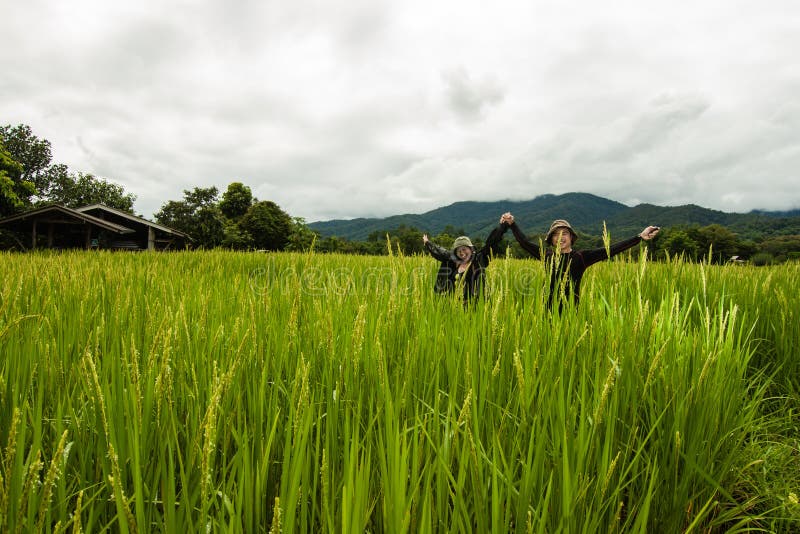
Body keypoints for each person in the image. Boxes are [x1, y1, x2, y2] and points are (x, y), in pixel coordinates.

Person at [500, 212, 659, 310]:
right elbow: (524, 243)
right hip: (547, 309)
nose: (560, 237)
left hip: (571, 310)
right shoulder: (546, 254)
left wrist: (639, 237)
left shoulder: (581, 257)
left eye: (564, 233)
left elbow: (611, 250)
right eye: (556, 234)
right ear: (551, 239)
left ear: (571, 237)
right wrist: (512, 224)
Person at [422, 221, 509, 301]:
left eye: (464, 249)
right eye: (459, 250)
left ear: (471, 249)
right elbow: (441, 252)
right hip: (455, 306)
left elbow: (491, 243)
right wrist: (428, 243)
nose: (462, 253)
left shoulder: (478, 260)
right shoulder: (454, 262)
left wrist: (502, 227)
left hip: (475, 306)